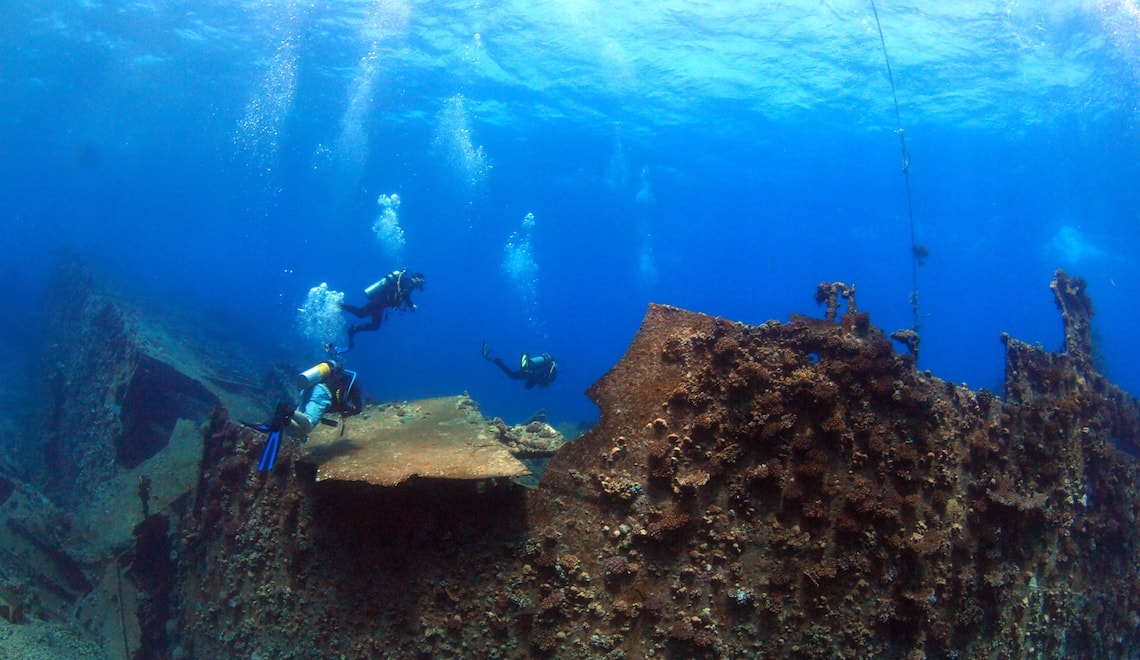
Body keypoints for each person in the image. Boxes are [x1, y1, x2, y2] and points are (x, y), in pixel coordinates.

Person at [247, 348, 364, 471]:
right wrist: (348, 411)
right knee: (308, 425)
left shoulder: (333, 376)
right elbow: (358, 409)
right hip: (322, 394)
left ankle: (284, 419)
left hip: (309, 390)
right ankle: (287, 410)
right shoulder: (353, 384)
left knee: (297, 431)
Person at [340, 269, 425, 347]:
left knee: (375, 326)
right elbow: (405, 294)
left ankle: (354, 329)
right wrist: (411, 305)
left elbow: (404, 295)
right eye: (422, 280)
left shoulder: (408, 284)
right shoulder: (409, 283)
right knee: (361, 313)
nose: (422, 283)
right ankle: (340, 306)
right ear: (416, 278)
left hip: (382, 305)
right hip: (381, 300)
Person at [482, 342, 557, 389]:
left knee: (513, 376)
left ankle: (497, 361)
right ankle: (497, 361)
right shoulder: (548, 375)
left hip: (533, 373)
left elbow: (531, 383)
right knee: (512, 375)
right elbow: (539, 377)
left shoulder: (547, 374)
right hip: (532, 372)